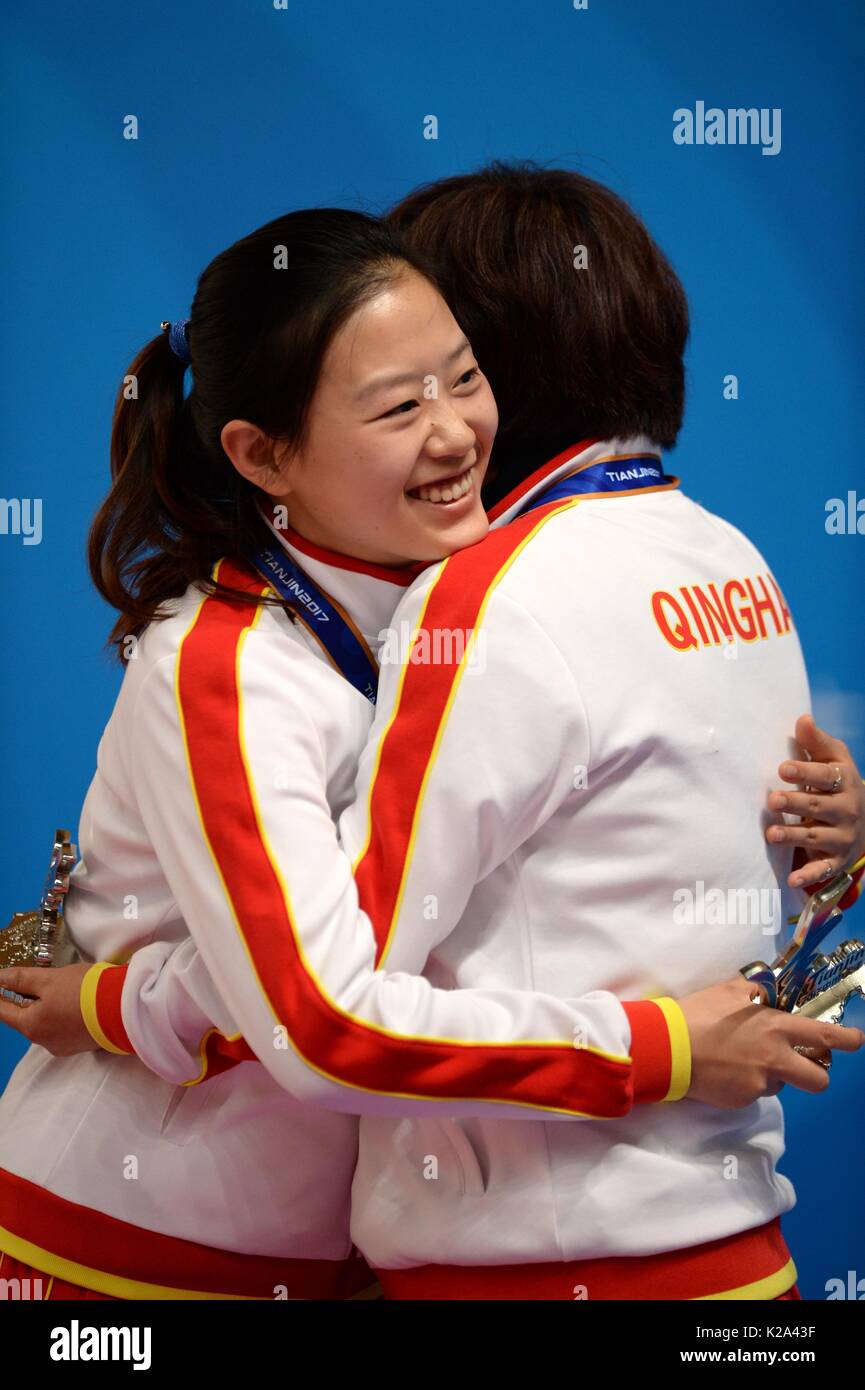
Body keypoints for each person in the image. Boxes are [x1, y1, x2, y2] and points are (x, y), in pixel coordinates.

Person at [2, 174, 864, 1302]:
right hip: (127, 1245)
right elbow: (308, 1001)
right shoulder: (226, 662)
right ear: (263, 456)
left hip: (347, 1248)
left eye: (465, 378)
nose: (454, 429)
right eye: (396, 407)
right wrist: (665, 1049)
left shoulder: (474, 599)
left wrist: (829, 837)